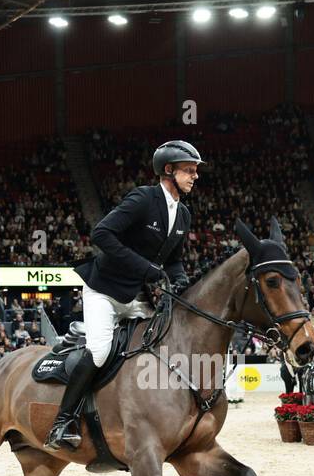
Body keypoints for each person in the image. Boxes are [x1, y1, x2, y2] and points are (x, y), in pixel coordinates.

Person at [43, 140, 202, 451]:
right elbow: (102, 234)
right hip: (104, 289)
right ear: (168, 170)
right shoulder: (144, 198)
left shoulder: (183, 215)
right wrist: (147, 270)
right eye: (188, 170)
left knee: (155, 348)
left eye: (195, 172)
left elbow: (173, 261)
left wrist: (181, 281)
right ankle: (63, 421)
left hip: (135, 296)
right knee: (101, 351)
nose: (194, 176)